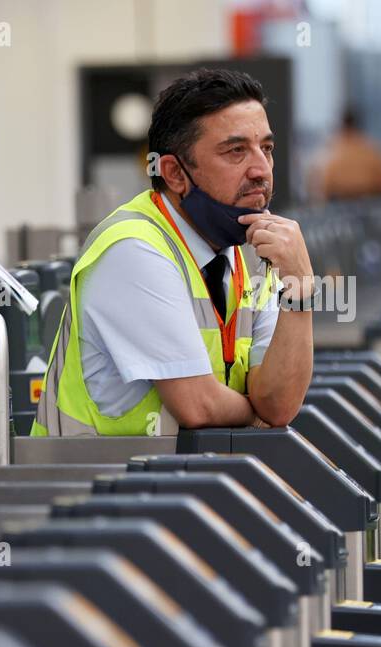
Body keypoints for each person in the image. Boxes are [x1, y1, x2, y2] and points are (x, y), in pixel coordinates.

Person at [34, 68, 315, 436]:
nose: (261, 170)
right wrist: (256, 416)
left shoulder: (248, 251)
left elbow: (278, 403)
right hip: (99, 485)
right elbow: (197, 405)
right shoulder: (133, 249)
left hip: (186, 484)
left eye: (266, 148)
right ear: (174, 173)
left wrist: (301, 288)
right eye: (236, 151)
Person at [311, 107, 381, 201]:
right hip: (370, 203)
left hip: (337, 205)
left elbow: (321, 190)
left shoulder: (328, 153)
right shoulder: (373, 150)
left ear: (340, 125)